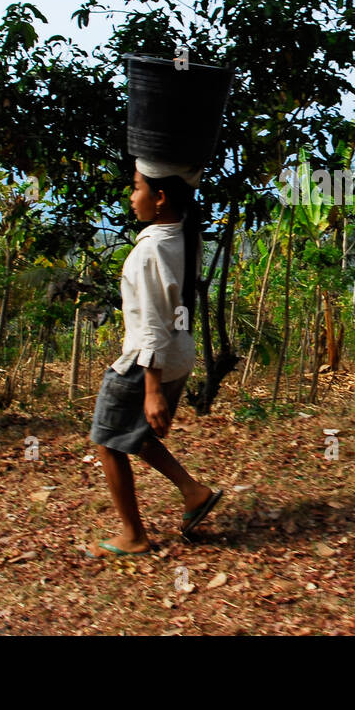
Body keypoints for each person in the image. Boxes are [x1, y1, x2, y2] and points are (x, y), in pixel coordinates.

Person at [86, 158, 222, 556]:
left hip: (150, 360)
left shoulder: (149, 252)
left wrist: (151, 389)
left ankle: (133, 535)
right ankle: (193, 492)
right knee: (138, 435)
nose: (131, 198)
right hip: (180, 353)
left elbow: (149, 323)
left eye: (136, 188)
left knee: (108, 442)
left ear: (160, 197)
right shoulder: (186, 236)